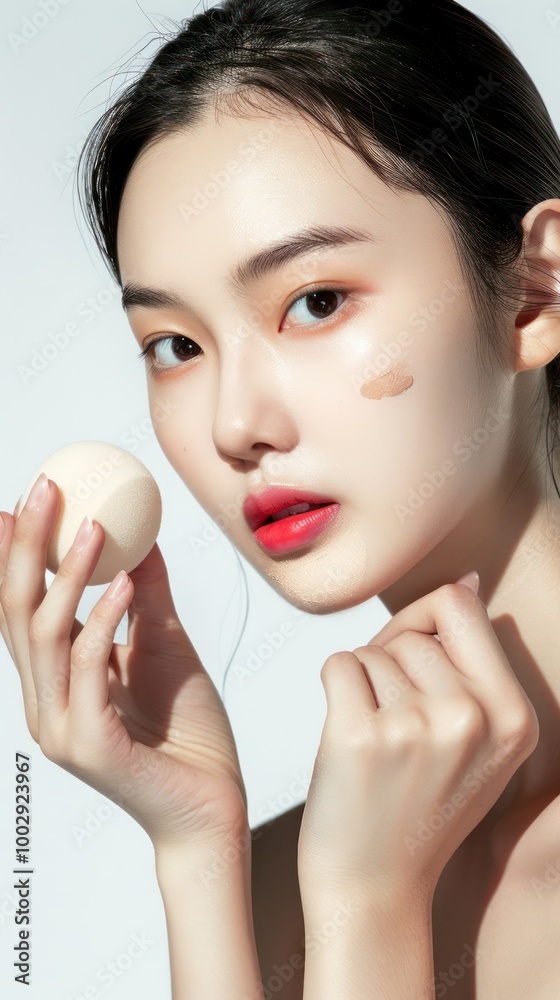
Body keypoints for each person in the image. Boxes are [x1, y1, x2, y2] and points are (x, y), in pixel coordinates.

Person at [1, 0, 560, 996]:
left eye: (314, 301)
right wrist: (198, 845)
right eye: (174, 345)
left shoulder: (338, 874)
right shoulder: (291, 879)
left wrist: (367, 912)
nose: (230, 424)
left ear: (532, 293)